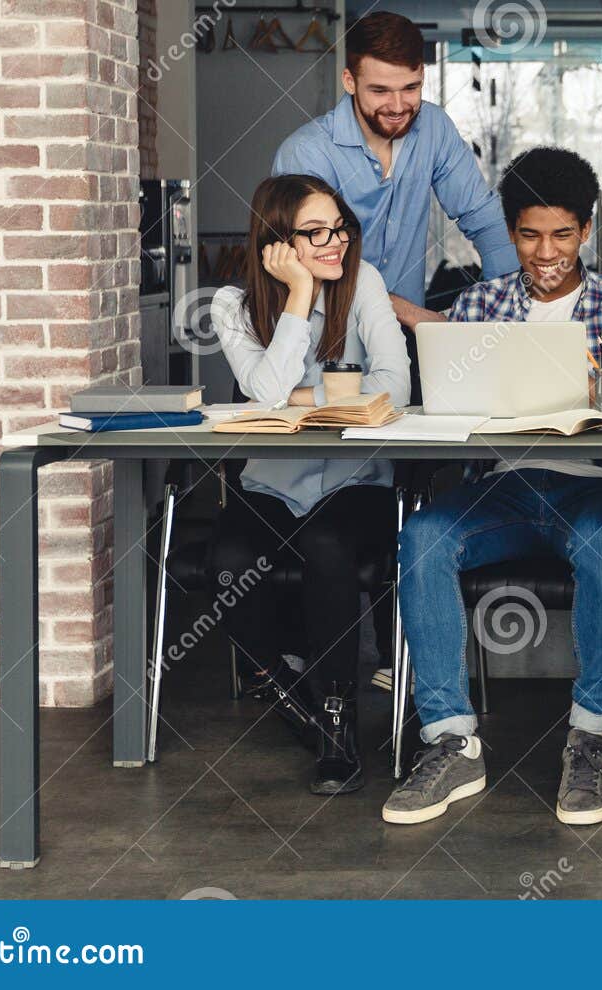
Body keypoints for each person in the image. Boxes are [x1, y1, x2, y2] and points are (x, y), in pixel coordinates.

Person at [382, 147, 602, 828]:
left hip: (599, 487)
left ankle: (592, 735)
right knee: (424, 535)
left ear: (586, 231)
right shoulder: (478, 307)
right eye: (529, 235)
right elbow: (447, 413)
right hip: (505, 484)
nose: (545, 251)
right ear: (511, 232)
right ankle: (450, 739)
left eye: (561, 234)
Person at [209, 174, 412, 797]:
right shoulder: (231, 305)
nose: (334, 243)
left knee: (328, 548)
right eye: (314, 233)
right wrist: (299, 295)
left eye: (339, 228)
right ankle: (281, 682)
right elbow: (264, 394)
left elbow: (396, 388)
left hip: (355, 478)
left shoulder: (366, 282)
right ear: (277, 241)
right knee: (227, 562)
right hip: (270, 480)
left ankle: (334, 714)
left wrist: (302, 396)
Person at [273, 12, 516, 328]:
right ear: (350, 81)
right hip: (327, 334)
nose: (399, 106)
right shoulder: (307, 153)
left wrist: (508, 309)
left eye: (410, 88)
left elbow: (485, 221)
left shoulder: (433, 128)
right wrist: (417, 316)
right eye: (380, 91)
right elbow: (312, 261)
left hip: (403, 339)